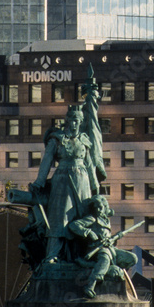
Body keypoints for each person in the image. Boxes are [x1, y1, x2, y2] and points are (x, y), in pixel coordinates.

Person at [30, 104, 99, 262]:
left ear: (80, 122)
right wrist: (40, 182)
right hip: (62, 181)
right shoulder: (57, 139)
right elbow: (46, 161)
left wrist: (95, 187)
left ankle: (81, 255)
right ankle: (53, 255)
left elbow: (90, 165)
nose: (74, 123)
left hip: (82, 182)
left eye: (77, 120)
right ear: (67, 121)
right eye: (72, 120)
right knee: (60, 218)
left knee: (81, 217)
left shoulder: (84, 140)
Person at [68, 195, 136, 299]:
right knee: (105, 259)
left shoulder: (106, 221)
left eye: (101, 207)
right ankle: (91, 284)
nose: (98, 210)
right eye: (96, 207)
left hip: (110, 249)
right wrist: (89, 232)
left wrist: (114, 239)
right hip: (96, 250)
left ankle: (109, 270)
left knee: (132, 258)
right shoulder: (92, 219)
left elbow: (108, 238)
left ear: (105, 207)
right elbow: (73, 225)